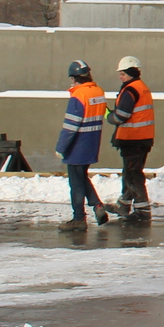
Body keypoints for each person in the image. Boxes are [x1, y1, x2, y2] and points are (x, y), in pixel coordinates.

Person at [57, 60, 110, 230]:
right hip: (92, 142)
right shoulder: (98, 92)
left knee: (76, 183)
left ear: (74, 78)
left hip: (77, 146)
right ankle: (98, 206)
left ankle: (79, 219)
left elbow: (71, 125)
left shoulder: (78, 96)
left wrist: (61, 147)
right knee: (82, 177)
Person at [106, 55, 155, 224]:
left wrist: (108, 115)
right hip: (143, 138)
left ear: (130, 73)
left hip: (133, 139)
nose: (120, 77)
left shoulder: (130, 90)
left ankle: (142, 210)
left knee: (133, 174)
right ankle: (123, 204)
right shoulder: (142, 87)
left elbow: (121, 116)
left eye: (122, 74)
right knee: (130, 172)